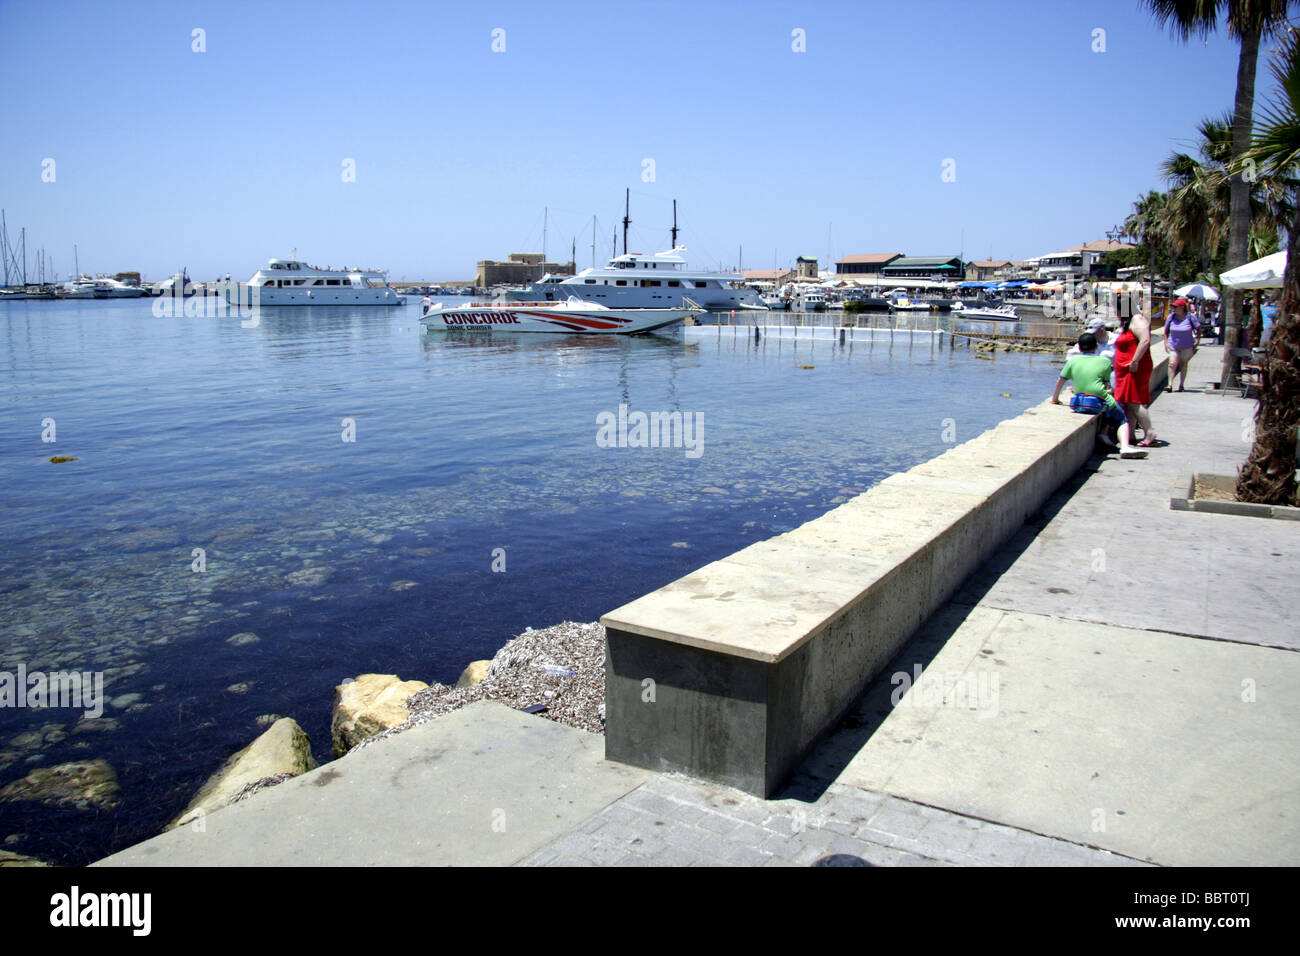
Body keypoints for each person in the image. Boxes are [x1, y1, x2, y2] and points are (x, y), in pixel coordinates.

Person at [1051, 332, 1144, 457]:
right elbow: (1106, 385)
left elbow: (1060, 381)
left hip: (1079, 403)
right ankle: (1125, 446)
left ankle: (1104, 434)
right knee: (1121, 418)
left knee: (1108, 408)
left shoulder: (1072, 361)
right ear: (1096, 346)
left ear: (1079, 348)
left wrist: (1055, 399)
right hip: (1097, 402)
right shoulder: (1104, 362)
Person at [1113, 310, 1157, 448]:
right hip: (1125, 370)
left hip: (1134, 369)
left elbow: (1145, 339)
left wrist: (1134, 360)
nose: (1116, 312)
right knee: (1127, 401)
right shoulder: (1127, 323)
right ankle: (1130, 435)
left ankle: (1150, 431)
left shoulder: (1137, 319)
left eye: (1118, 309)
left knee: (1133, 400)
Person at [1163, 297, 1201, 391]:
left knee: (1183, 364)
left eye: (1176, 307)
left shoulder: (1190, 316)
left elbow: (1199, 329)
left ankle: (1181, 385)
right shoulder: (1171, 317)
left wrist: (1197, 341)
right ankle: (1170, 385)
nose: (1174, 308)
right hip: (1173, 344)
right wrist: (1165, 342)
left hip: (1187, 345)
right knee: (1172, 363)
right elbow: (1166, 330)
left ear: (1182, 307)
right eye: (1173, 307)